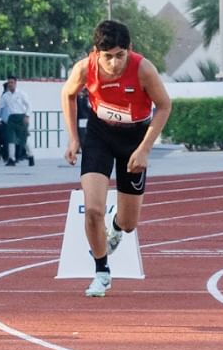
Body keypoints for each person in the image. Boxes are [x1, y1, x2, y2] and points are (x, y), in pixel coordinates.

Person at [61, 18, 173, 298]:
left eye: (120, 56)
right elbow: (68, 94)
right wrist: (74, 137)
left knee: (128, 223)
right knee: (92, 210)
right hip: (99, 136)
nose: (113, 63)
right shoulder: (85, 68)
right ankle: (102, 272)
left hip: (133, 140)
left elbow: (164, 105)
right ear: (97, 52)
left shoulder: (143, 69)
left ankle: (115, 226)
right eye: (108, 57)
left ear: (129, 49)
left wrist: (145, 148)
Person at [0, 77, 34, 166]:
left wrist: (27, 116)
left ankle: (31, 155)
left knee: (23, 139)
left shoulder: (21, 94)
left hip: (21, 117)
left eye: (12, 82)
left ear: (15, 83)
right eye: (9, 82)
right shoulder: (5, 96)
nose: (10, 84)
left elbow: (29, 105)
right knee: (11, 139)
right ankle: (11, 159)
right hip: (11, 118)